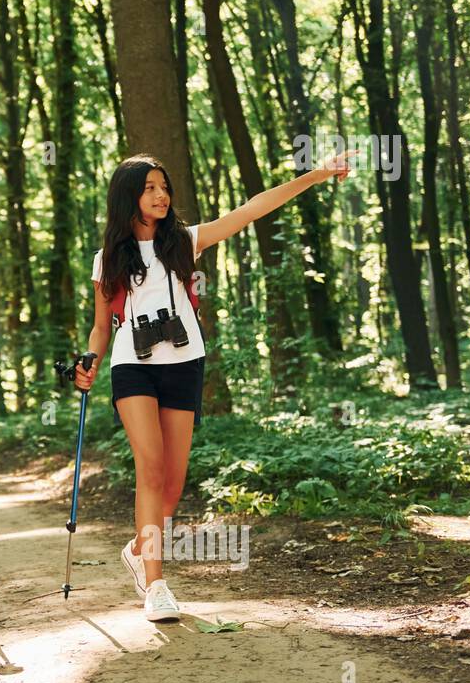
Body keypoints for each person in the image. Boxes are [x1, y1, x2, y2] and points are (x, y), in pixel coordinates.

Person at [73, 151, 353, 621]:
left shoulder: (185, 242)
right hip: (132, 366)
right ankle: (156, 585)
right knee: (152, 465)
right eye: (150, 188)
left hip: (185, 363)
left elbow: (253, 208)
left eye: (165, 187)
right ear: (128, 197)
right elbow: (102, 326)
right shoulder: (109, 259)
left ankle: (142, 547)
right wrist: (89, 362)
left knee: (174, 481)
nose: (161, 195)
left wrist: (319, 172)